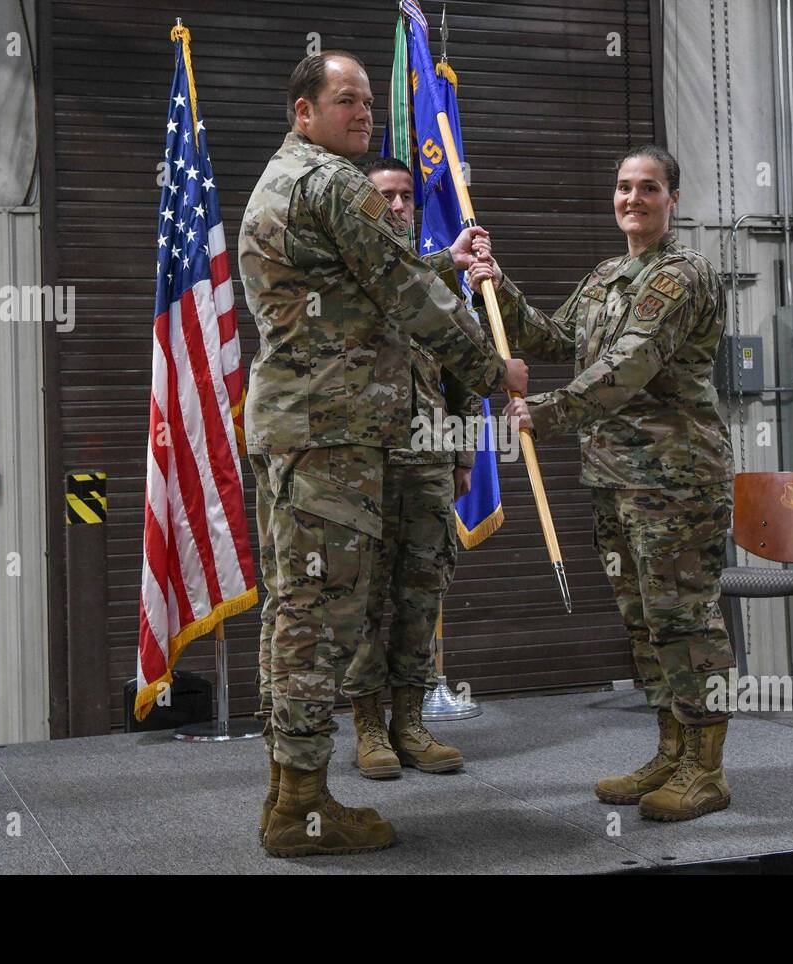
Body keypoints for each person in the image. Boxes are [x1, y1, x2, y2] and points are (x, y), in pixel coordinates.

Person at [238, 50, 528, 858]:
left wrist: (442, 263)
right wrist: (490, 370)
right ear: (304, 110)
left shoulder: (283, 180)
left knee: (294, 614)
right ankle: (301, 809)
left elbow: (374, 278)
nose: (363, 113)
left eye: (367, 101)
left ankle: (287, 793)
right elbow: (406, 292)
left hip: (300, 426)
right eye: (345, 101)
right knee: (316, 623)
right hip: (330, 434)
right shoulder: (332, 183)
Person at [468, 143, 736, 822]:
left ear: (672, 200)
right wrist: (496, 286)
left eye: (648, 188)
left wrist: (549, 412)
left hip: (674, 478)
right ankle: (670, 750)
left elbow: (630, 363)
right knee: (643, 623)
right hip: (613, 477)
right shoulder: (607, 275)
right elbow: (557, 338)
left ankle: (706, 769)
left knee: (685, 620)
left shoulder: (683, 277)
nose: (632, 199)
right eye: (623, 187)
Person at [341, 156, 478, 780]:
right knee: (365, 596)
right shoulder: (348, 270)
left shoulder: (440, 286)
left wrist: (464, 454)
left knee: (422, 592)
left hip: (426, 460)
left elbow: (465, 370)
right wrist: (447, 258)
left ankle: (411, 720)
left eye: (405, 198)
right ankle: (368, 726)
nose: (397, 208)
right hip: (362, 466)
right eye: (385, 198)